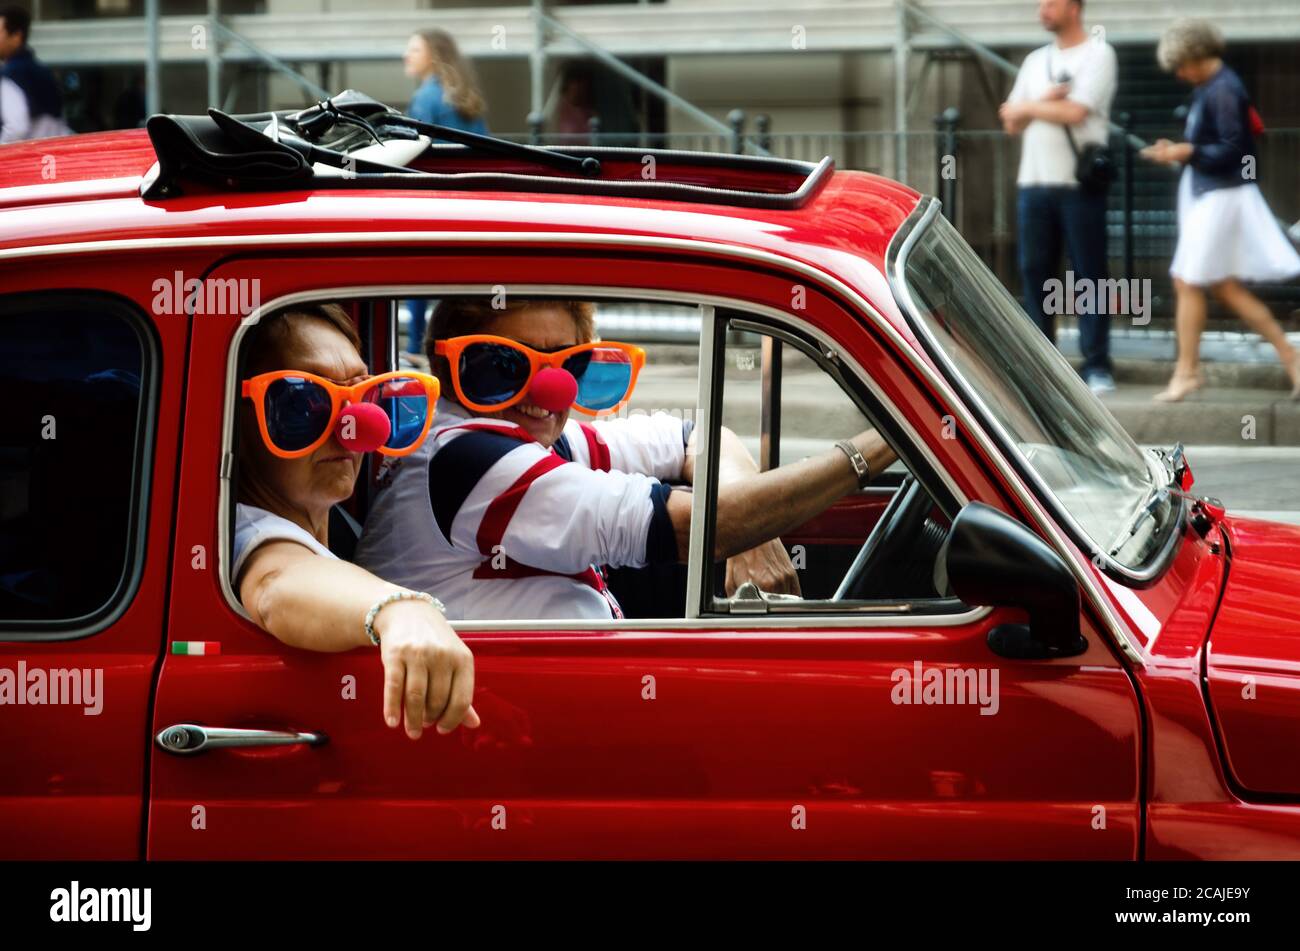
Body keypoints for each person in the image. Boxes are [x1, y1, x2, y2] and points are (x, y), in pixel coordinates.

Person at [356, 297, 898, 621]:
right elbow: (710, 526)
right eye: (504, 365)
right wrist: (881, 444)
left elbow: (697, 434)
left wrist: (749, 530)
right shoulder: (470, 458)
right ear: (454, 366)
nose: (545, 391)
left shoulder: (531, 440)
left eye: (569, 363)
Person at [235, 301, 479, 739]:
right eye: (304, 403)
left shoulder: (340, 525)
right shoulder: (250, 532)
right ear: (236, 421)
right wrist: (402, 612)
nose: (353, 425)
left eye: (365, 395)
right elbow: (276, 585)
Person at [1141, 19, 1300, 402]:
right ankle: (1291, 356)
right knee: (1223, 286)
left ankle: (1187, 371)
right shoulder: (1217, 88)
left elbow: (1235, 150)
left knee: (1187, 279)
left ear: (1195, 58)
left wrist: (1185, 151)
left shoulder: (1223, 89)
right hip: (1217, 193)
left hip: (1221, 196)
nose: (1179, 73)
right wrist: (1185, 151)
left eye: (1180, 65)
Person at [999, 0, 1118, 394]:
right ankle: (1041, 364)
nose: (1042, 9)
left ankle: (1097, 363)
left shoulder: (1099, 54)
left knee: (1089, 274)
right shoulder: (1035, 61)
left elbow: (1076, 112)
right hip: (1033, 183)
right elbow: (1009, 121)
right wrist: (1047, 101)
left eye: (1051, 2)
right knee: (1035, 271)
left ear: (1074, 7)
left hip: (1079, 186)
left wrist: (1032, 106)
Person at [401, 28, 488, 361]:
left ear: (433, 55)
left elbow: (417, 154)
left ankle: (415, 347)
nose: (406, 56)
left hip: (433, 199)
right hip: (468, 201)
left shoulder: (426, 98)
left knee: (417, 269)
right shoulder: (466, 98)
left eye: (413, 48)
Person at [0, 4, 71, 143]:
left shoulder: (11, 75)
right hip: (54, 154)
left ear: (16, 36)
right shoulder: (42, 71)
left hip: (31, 159)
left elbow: (16, 127)